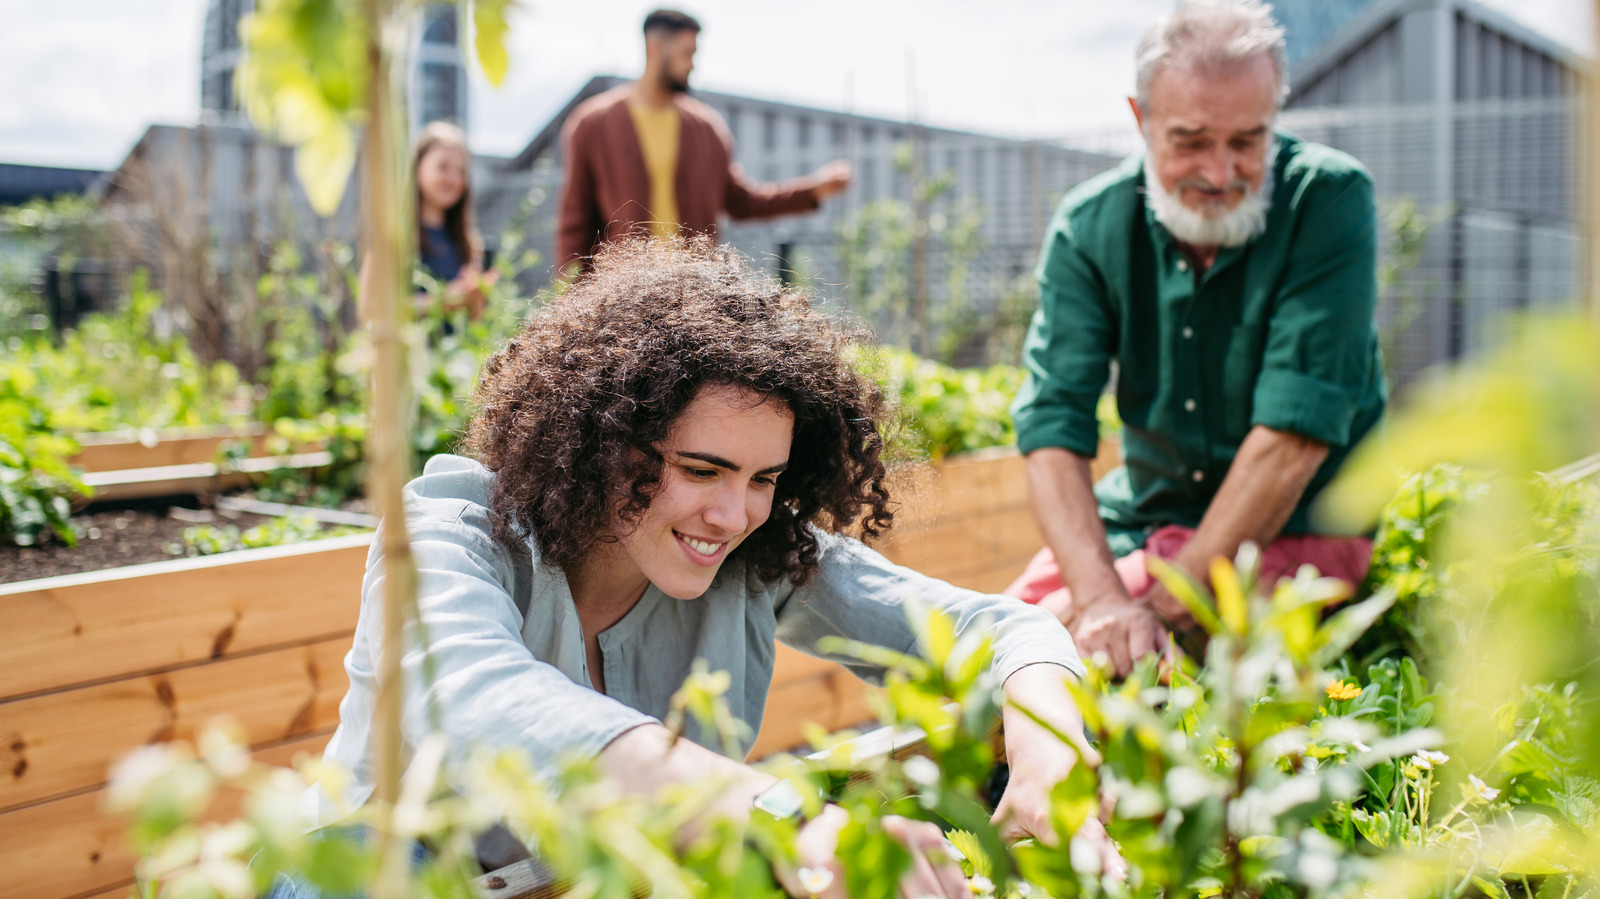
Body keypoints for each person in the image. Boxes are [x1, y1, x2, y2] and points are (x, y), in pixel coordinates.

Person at [306, 238, 1122, 897]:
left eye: (763, 479)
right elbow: (479, 702)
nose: (733, 516)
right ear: (600, 440)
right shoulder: (451, 530)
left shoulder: (756, 555)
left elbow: (999, 626)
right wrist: (776, 813)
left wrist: (1052, 750)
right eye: (701, 470)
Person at [1006, 0, 1386, 677]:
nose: (1220, 172)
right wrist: (1100, 598)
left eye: (1248, 141)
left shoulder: (1327, 201)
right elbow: (1053, 427)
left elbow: (1292, 440)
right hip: (1144, 519)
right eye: (1190, 140)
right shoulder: (1089, 227)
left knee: (1091, 660)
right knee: (1010, 636)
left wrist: (1159, 604)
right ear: (1141, 120)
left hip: (1300, 527)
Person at [555, 9, 852, 276]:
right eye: (687, 53)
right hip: (623, 298)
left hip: (695, 296)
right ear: (655, 48)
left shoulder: (706, 128)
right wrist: (569, 293)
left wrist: (812, 189)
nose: (692, 65)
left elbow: (741, 201)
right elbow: (576, 218)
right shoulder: (593, 123)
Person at [411, 121, 495, 320]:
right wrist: (446, 299)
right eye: (443, 167)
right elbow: (373, 310)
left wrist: (477, 295)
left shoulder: (470, 242)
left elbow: (476, 322)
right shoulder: (395, 236)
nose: (453, 178)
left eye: (460, 171)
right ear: (417, 168)